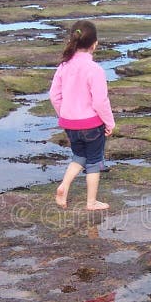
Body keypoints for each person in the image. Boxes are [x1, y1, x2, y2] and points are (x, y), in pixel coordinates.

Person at [49, 20, 115, 211]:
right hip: (92, 125)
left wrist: (65, 114)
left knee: (79, 156)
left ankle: (64, 186)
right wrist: (109, 123)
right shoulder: (95, 70)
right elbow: (100, 102)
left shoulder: (63, 66)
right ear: (95, 43)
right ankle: (91, 202)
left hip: (70, 124)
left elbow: (54, 95)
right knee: (94, 162)